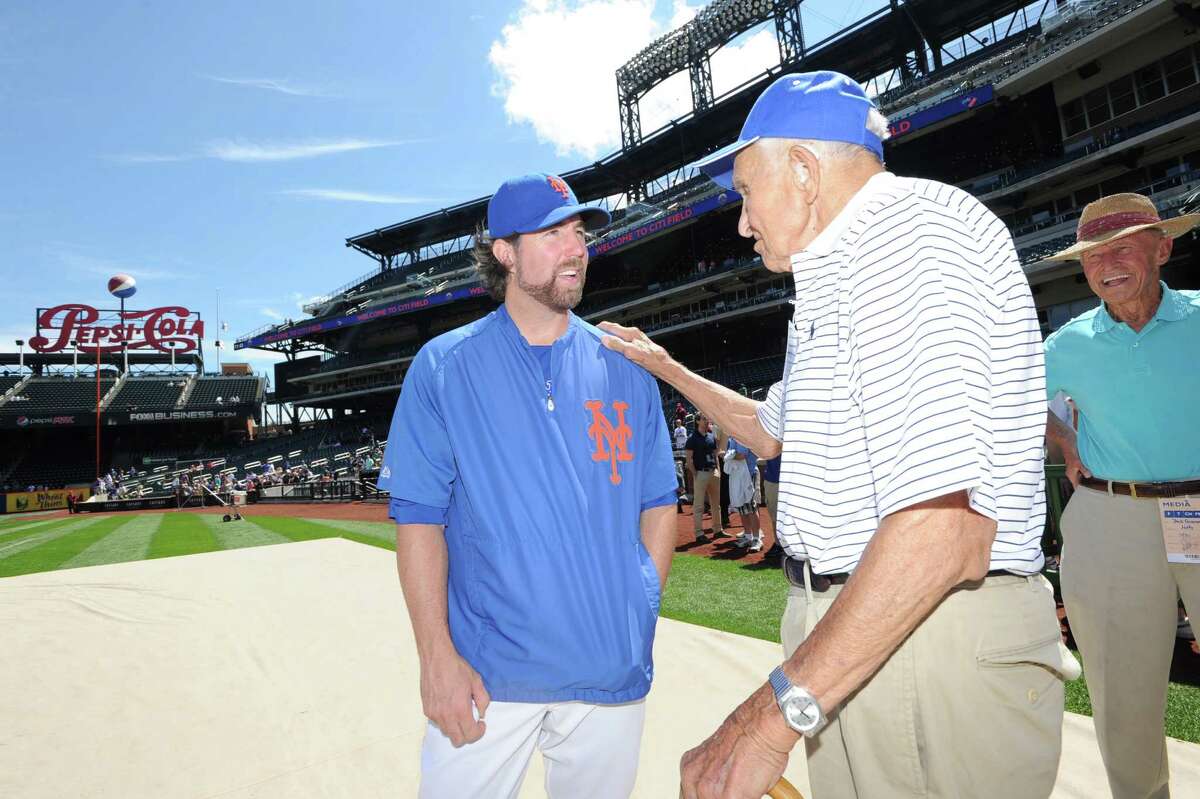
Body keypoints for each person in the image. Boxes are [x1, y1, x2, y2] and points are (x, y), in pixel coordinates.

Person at [600, 70, 1076, 799]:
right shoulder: (844, 267)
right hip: (867, 638)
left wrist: (767, 721)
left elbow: (944, 531)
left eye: (744, 191)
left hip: (923, 637)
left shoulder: (905, 235)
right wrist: (666, 366)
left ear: (802, 169)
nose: (741, 220)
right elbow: (767, 429)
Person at [378, 173, 678, 798]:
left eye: (579, 232)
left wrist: (640, 606)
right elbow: (419, 520)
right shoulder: (444, 364)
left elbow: (657, 503)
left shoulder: (626, 365)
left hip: (608, 674)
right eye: (551, 233)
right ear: (504, 252)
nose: (575, 248)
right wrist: (436, 657)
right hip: (489, 677)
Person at [1042, 192, 1200, 799]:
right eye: (1092, 256)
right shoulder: (1066, 344)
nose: (1106, 264)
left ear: (1162, 249)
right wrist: (1062, 434)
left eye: (1122, 248)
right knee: (1122, 694)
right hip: (1111, 518)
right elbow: (1013, 400)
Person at [684, 414, 723, 542]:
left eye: (707, 419)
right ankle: (699, 534)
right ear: (697, 421)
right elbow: (689, 459)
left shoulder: (711, 436)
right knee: (699, 505)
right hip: (701, 473)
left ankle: (718, 530)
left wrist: (718, 469)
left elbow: (714, 454)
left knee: (716, 505)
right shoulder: (692, 438)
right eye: (704, 419)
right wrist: (695, 473)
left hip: (713, 472)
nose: (707, 421)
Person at [724, 435, 761, 552]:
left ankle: (756, 538)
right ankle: (748, 536)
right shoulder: (733, 437)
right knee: (742, 508)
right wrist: (729, 455)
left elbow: (742, 455)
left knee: (751, 508)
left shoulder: (743, 435)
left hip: (749, 474)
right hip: (739, 476)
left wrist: (728, 456)